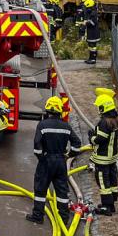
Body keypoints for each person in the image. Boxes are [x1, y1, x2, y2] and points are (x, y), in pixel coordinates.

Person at [25, 96, 83, 224]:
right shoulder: (66, 126)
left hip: (46, 161)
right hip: (61, 162)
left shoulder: (42, 125)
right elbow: (77, 143)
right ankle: (63, 218)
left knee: (40, 189)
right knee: (62, 191)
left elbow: (37, 145)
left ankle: (38, 216)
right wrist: (68, 155)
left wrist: (41, 158)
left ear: (48, 110)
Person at [89, 87, 118, 215]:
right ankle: (111, 204)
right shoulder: (116, 121)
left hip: (102, 159)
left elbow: (100, 139)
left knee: (103, 181)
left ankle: (106, 207)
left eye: (99, 107)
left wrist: (91, 137)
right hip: (112, 157)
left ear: (103, 108)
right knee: (112, 180)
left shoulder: (103, 123)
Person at [81, 0, 102, 65]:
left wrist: (86, 22)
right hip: (91, 32)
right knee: (90, 46)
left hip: (93, 33)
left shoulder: (93, 13)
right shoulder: (91, 13)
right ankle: (90, 58)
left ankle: (93, 59)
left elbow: (93, 23)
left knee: (93, 46)